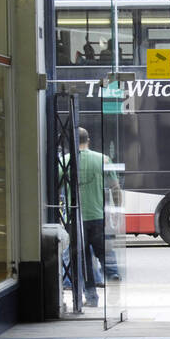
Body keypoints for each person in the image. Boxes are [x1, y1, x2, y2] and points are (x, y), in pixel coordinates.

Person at [72, 127, 121, 306]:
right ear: (89, 140)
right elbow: (115, 188)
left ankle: (92, 299)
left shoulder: (66, 160)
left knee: (84, 262)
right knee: (105, 253)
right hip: (99, 217)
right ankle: (113, 276)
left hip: (77, 220)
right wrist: (117, 212)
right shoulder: (104, 159)